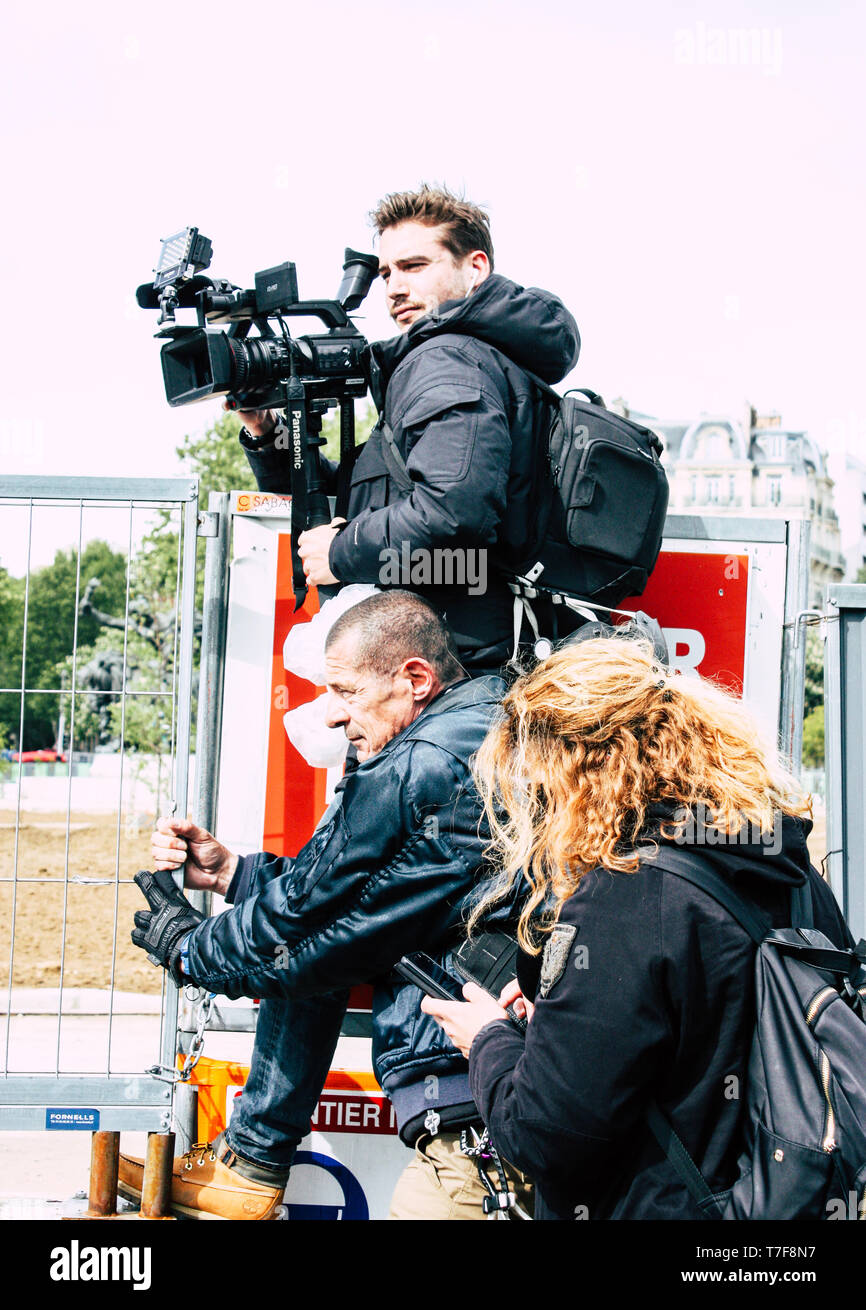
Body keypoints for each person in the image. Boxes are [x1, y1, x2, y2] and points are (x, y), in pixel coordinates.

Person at [122, 592, 530, 1220]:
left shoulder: (421, 762)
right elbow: (365, 895)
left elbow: (319, 925)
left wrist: (188, 949)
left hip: (477, 1102)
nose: (333, 715)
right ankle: (250, 1160)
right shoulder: (482, 723)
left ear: (415, 679)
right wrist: (233, 873)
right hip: (493, 1086)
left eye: (346, 691)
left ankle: (251, 1162)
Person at [422, 636, 853, 1220]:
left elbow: (544, 1135)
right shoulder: (790, 872)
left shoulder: (627, 895)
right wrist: (567, 1011)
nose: (539, 814)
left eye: (539, 789)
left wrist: (488, 1040)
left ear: (576, 773)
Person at [235, 184, 581, 672]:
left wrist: (342, 551)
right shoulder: (467, 357)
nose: (394, 288)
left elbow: (453, 516)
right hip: (454, 651)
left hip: (452, 665)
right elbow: (373, 496)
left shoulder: (446, 359)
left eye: (414, 266)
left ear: (475, 268)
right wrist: (269, 433)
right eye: (386, 273)